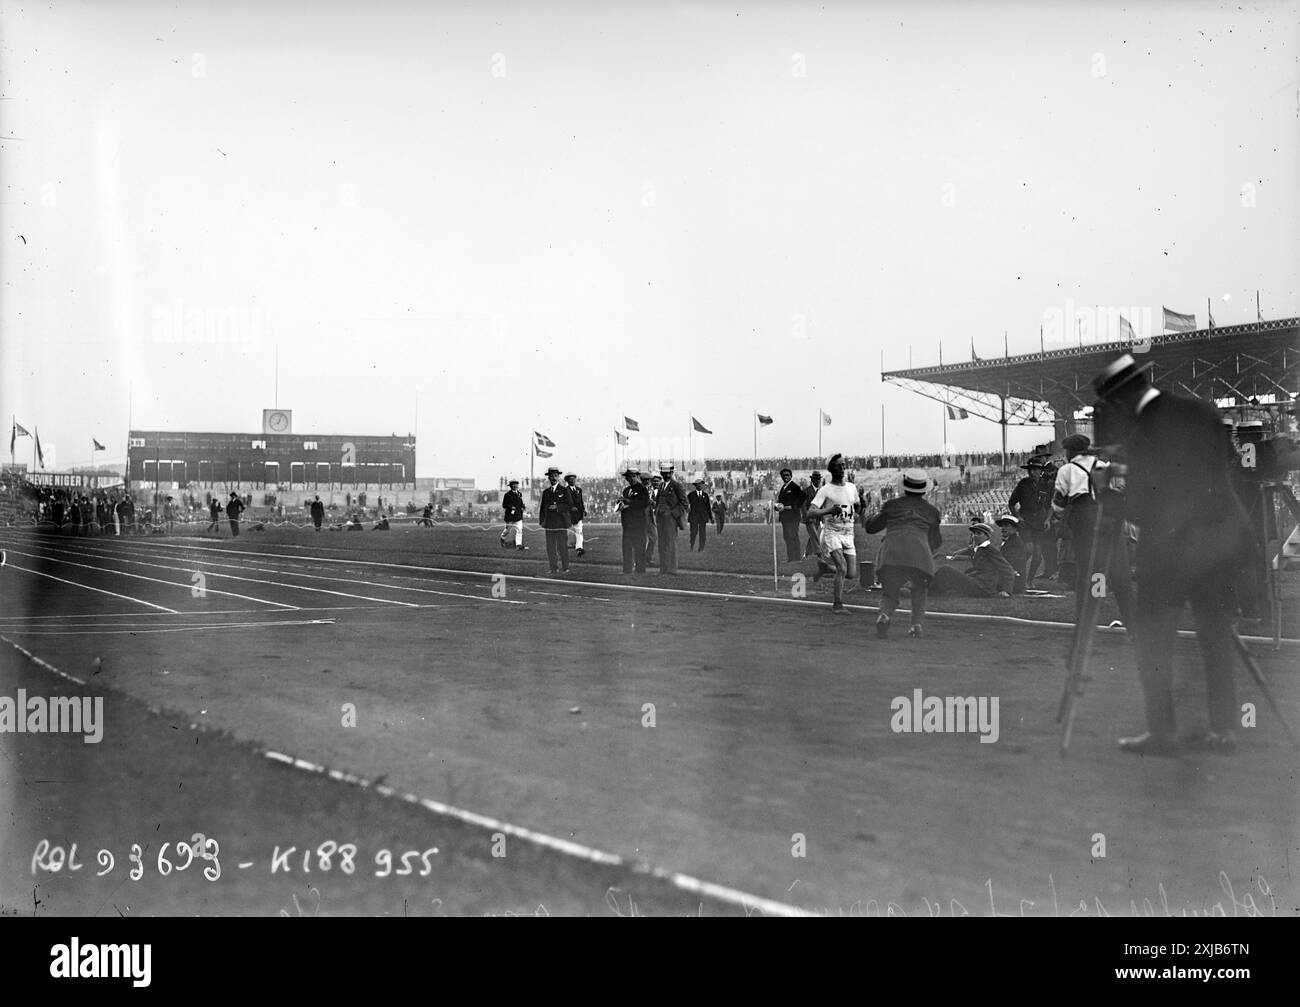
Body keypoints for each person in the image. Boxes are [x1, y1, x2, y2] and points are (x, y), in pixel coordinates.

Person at [1092, 353, 1257, 755]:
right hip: (1217, 545)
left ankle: (1161, 733)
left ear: (1120, 402)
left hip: (1167, 552)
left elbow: (1143, 503)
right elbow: (1221, 472)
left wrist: (1111, 488)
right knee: (1216, 639)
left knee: (1154, 643)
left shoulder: (1142, 431)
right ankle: (1224, 732)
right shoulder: (1200, 411)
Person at [864, 468, 943, 638]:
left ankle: (884, 615)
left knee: (890, 592)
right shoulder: (932, 512)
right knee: (919, 590)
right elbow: (936, 542)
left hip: (892, 551)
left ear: (905, 487)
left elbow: (871, 528)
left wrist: (869, 513)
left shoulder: (891, 505)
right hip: (919, 554)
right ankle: (916, 625)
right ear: (924, 489)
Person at [805, 454, 859, 613]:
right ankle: (838, 605)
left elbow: (856, 505)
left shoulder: (851, 487)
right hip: (832, 532)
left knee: (850, 573)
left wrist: (861, 507)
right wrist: (829, 510)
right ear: (831, 470)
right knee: (842, 568)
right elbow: (810, 512)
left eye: (843, 465)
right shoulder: (825, 490)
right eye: (838, 466)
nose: (842, 468)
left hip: (848, 533)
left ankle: (826, 569)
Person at [932, 523, 1017, 598]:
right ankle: (932, 590)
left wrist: (1007, 590)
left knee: (946, 571)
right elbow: (972, 555)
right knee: (949, 576)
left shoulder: (990, 550)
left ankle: (928, 590)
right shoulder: (980, 549)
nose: (975, 536)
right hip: (980, 585)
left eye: (978, 533)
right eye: (973, 533)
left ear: (986, 536)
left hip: (983, 588)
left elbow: (1007, 568)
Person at [1008, 455, 1054, 587]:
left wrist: (1048, 520)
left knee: (1038, 554)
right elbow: (1011, 503)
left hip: (1039, 522)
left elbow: (1051, 505)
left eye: (1035, 469)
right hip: (1025, 522)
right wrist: (1018, 517)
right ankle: (1015, 571)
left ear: (1041, 471)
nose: (1032, 472)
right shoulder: (1023, 484)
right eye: (1030, 469)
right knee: (1028, 549)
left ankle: (1029, 581)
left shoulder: (1047, 486)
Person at [653, 462, 688, 575]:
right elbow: (658, 501)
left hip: (670, 519)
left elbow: (684, 503)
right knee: (662, 544)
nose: (666, 474)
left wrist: (672, 514)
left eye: (668, 473)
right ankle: (663, 569)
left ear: (672, 473)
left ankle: (672, 570)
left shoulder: (677, 486)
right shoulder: (662, 485)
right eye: (664, 473)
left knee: (670, 543)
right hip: (660, 518)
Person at [539, 466, 573, 573]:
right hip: (549, 524)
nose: (553, 478)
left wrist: (557, 507)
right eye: (551, 476)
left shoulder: (564, 490)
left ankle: (565, 567)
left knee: (562, 546)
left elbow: (569, 505)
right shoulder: (546, 492)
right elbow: (542, 508)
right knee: (550, 547)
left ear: (558, 477)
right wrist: (541, 521)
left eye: (555, 476)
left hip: (561, 523)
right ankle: (553, 568)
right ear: (548, 478)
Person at [617, 466, 650, 573]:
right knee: (626, 547)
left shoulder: (642, 489)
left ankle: (640, 570)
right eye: (628, 477)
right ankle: (627, 570)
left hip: (638, 523)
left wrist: (628, 502)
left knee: (639, 547)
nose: (630, 479)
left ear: (637, 477)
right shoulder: (626, 490)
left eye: (632, 476)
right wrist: (620, 504)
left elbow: (644, 503)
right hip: (627, 523)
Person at [776, 468, 806, 562]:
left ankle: (796, 558)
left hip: (792, 517)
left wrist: (793, 506)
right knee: (787, 537)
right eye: (783, 475)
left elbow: (803, 497)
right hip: (785, 517)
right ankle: (791, 558)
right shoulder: (783, 487)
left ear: (791, 476)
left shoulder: (794, 487)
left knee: (793, 537)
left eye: (787, 475)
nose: (785, 477)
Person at [995, 514, 1028, 592]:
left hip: (1012, 582)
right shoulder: (1010, 541)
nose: (1003, 528)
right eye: (1002, 526)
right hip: (1009, 579)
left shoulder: (1015, 543)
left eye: (1006, 526)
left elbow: (1007, 563)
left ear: (1015, 529)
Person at [564, 473, 587, 557]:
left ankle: (579, 547)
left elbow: (581, 501)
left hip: (578, 513)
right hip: (569, 513)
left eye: (574, 479)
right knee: (567, 531)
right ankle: (564, 545)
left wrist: (584, 510)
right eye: (570, 479)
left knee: (579, 530)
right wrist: (571, 507)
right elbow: (567, 501)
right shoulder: (565, 490)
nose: (572, 480)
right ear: (567, 481)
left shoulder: (579, 490)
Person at [500, 479, 526, 550]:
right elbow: (504, 505)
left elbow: (520, 502)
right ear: (511, 486)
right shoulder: (507, 495)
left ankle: (518, 545)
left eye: (516, 484)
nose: (515, 485)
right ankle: (502, 537)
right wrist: (511, 506)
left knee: (519, 530)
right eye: (513, 484)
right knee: (507, 531)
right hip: (510, 516)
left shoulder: (519, 494)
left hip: (518, 516)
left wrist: (523, 506)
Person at [687, 478, 712, 551]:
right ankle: (692, 545)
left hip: (702, 517)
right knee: (693, 532)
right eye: (698, 484)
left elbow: (708, 507)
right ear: (695, 486)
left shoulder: (705, 495)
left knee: (702, 533)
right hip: (694, 516)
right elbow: (686, 504)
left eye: (701, 484)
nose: (700, 485)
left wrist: (711, 517)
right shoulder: (691, 495)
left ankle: (701, 547)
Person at [645, 472, 660, 565]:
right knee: (652, 537)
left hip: (655, 516)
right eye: (654, 481)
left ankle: (647, 558)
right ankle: (646, 558)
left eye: (657, 481)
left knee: (654, 537)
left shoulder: (662, 491)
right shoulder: (648, 490)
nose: (656, 482)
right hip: (647, 516)